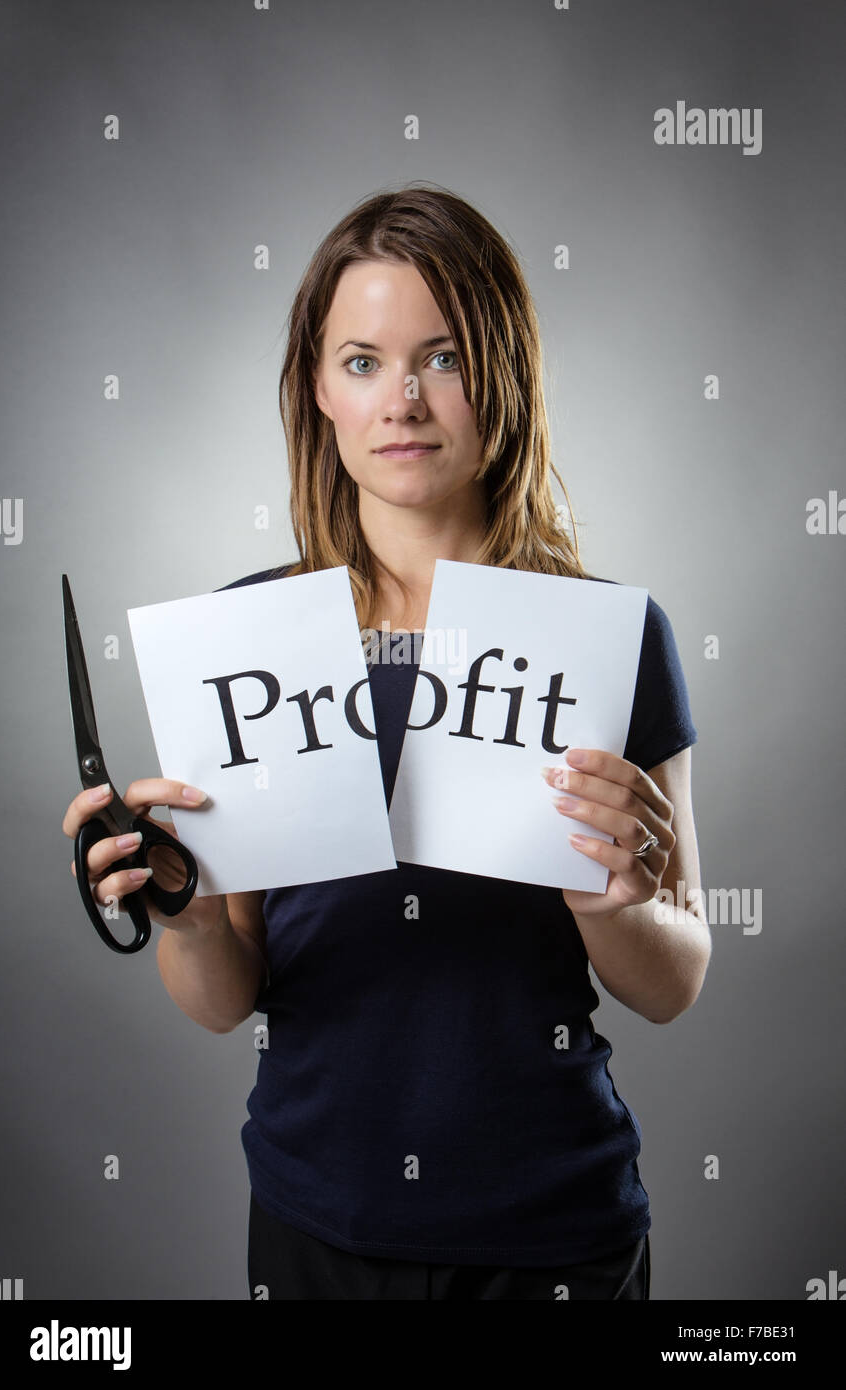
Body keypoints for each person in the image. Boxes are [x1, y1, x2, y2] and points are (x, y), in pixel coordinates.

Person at [62, 183, 710, 1301]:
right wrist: (187, 914)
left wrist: (622, 904)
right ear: (318, 389)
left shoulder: (605, 635)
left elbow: (673, 978)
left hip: (551, 1232)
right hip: (317, 1224)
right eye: (362, 360)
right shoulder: (248, 639)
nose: (402, 399)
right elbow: (225, 997)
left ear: (499, 375)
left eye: (443, 357)